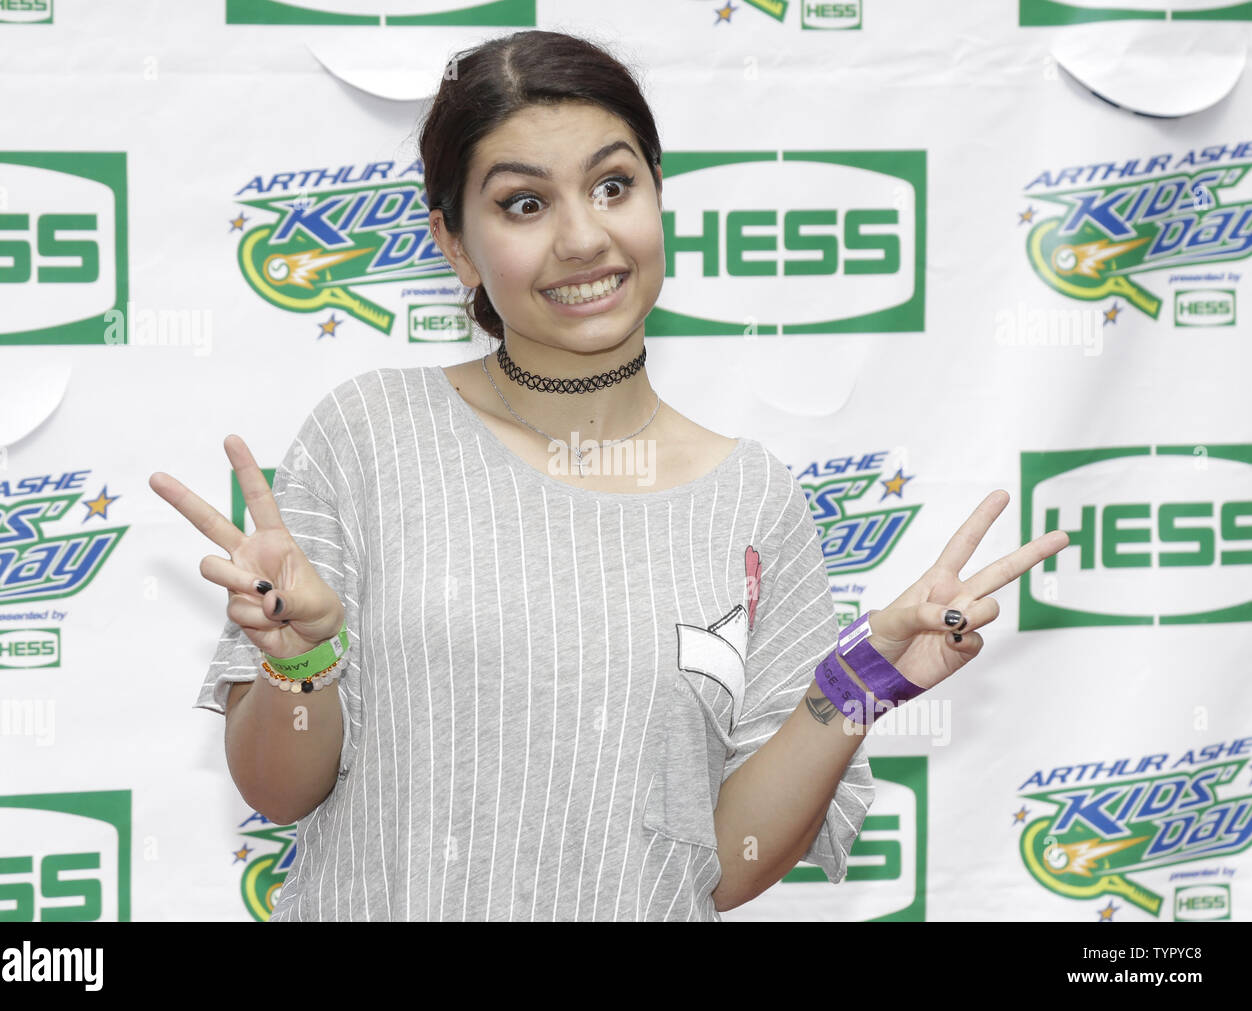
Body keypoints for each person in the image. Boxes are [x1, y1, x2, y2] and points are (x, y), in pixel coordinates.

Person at [149, 29, 1068, 922]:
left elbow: (724, 867)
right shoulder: (368, 436)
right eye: (523, 203)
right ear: (456, 243)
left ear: (658, 197)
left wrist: (860, 683)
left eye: (613, 185)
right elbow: (277, 791)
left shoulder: (754, 499)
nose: (584, 238)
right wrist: (301, 661)